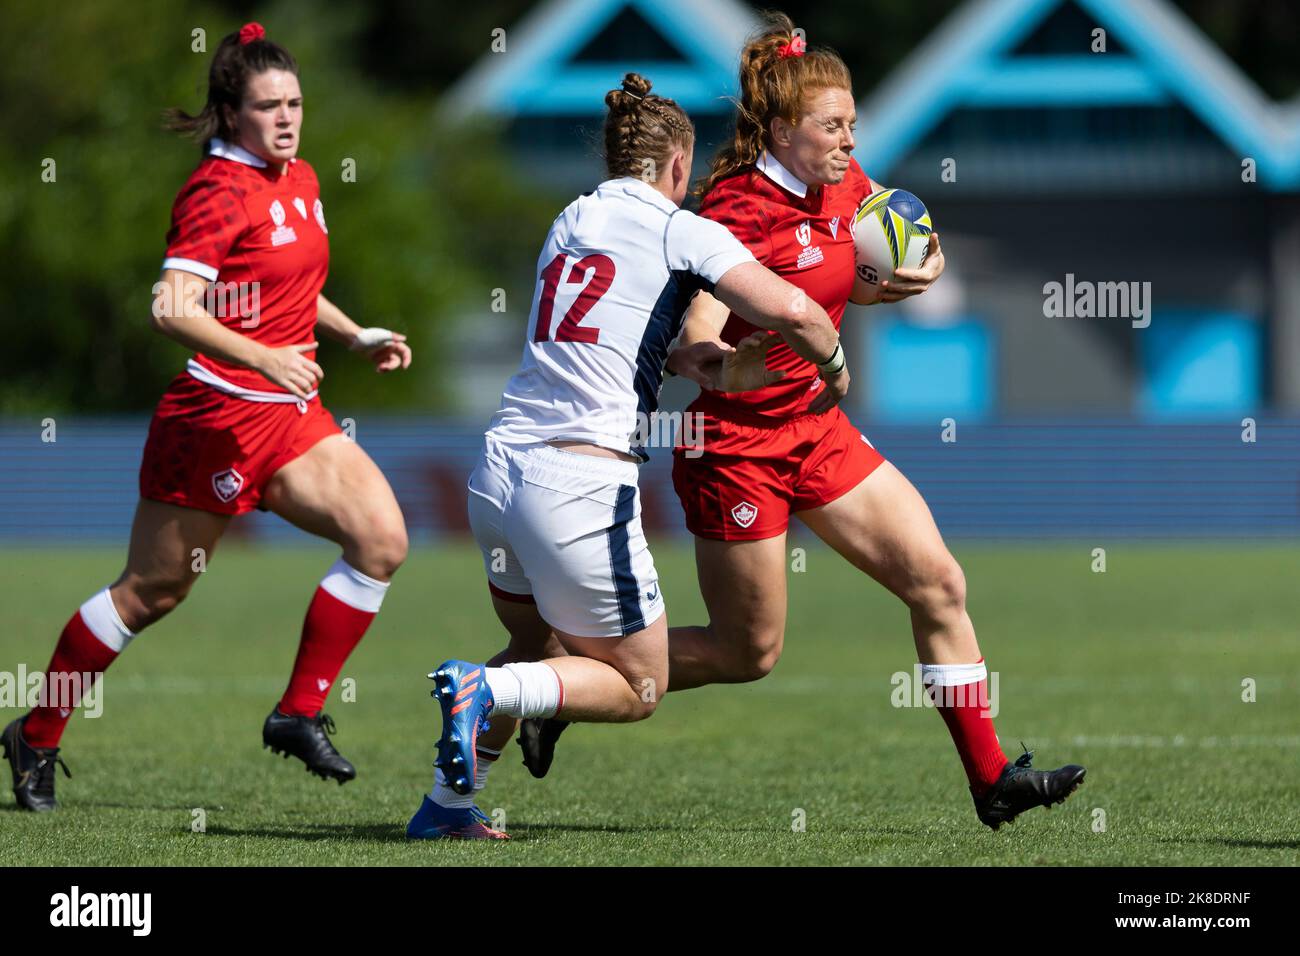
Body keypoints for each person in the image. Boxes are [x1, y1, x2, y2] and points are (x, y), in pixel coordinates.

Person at [526, 14, 1086, 830]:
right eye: (833, 126)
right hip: (738, 450)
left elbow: (849, 266)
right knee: (745, 653)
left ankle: (992, 778)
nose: (849, 141)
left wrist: (907, 271)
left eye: (853, 124)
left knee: (938, 582)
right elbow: (701, 334)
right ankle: (562, 686)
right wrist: (720, 348)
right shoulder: (732, 208)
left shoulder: (846, 182)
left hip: (817, 429)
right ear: (783, 130)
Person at [406, 72, 850, 840]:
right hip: (577, 481)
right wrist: (837, 367)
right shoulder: (683, 225)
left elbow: (611, 328)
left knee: (532, 646)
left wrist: (697, 362)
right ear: (679, 164)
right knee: (640, 684)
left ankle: (446, 808)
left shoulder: (571, 217)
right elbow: (792, 308)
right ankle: (480, 691)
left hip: (500, 471)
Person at [2, 23, 413, 811]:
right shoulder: (217, 190)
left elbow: (284, 288)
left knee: (382, 540)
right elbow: (170, 307)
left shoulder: (299, 177)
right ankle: (38, 732)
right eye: (268, 107)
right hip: (212, 419)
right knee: (152, 593)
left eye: (295, 102)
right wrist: (264, 357)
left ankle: (297, 713)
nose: (287, 118)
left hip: (289, 416)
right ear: (231, 113)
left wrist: (353, 334)